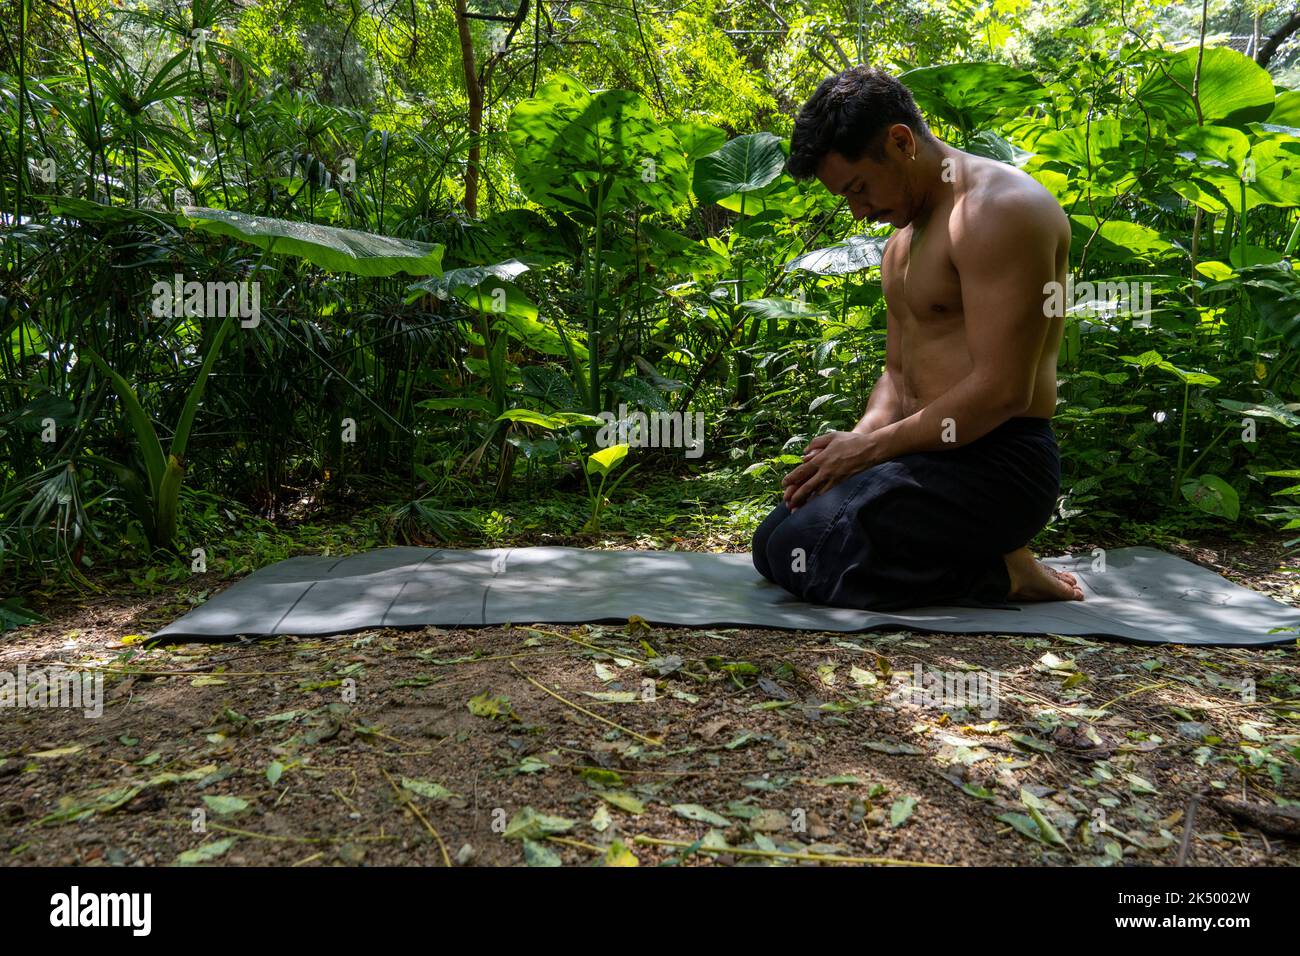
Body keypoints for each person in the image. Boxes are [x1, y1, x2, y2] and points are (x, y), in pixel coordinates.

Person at [751, 65, 1085, 610]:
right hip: (915, 454)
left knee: (808, 551)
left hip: (998, 466)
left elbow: (1005, 390)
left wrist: (870, 451)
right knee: (773, 544)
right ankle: (987, 559)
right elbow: (897, 373)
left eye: (859, 188)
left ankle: (1004, 573)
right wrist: (852, 445)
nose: (859, 212)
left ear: (901, 141)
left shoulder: (999, 210)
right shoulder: (904, 240)